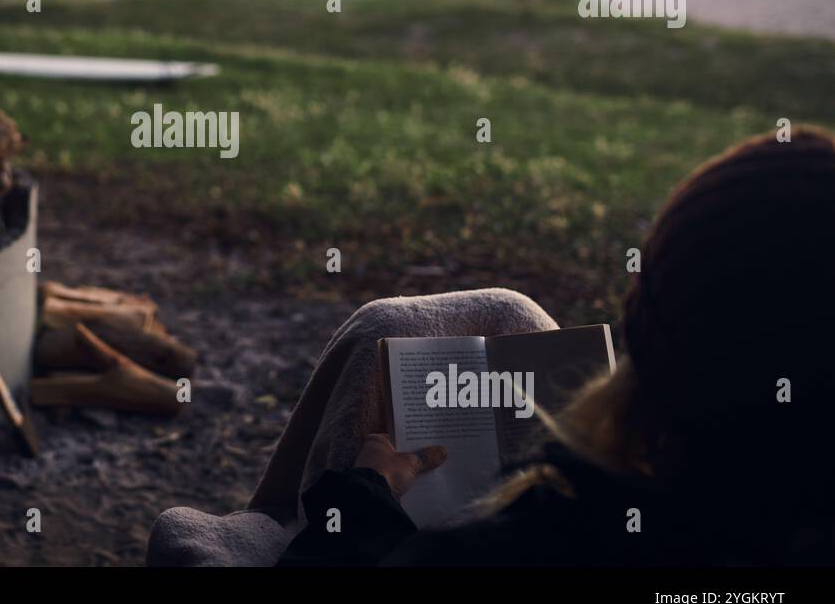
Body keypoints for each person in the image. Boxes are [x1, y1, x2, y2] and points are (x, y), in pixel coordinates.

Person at [279, 127, 835, 566]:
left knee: (394, 324)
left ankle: (272, 512)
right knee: (511, 314)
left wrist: (361, 501)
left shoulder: (545, 542)